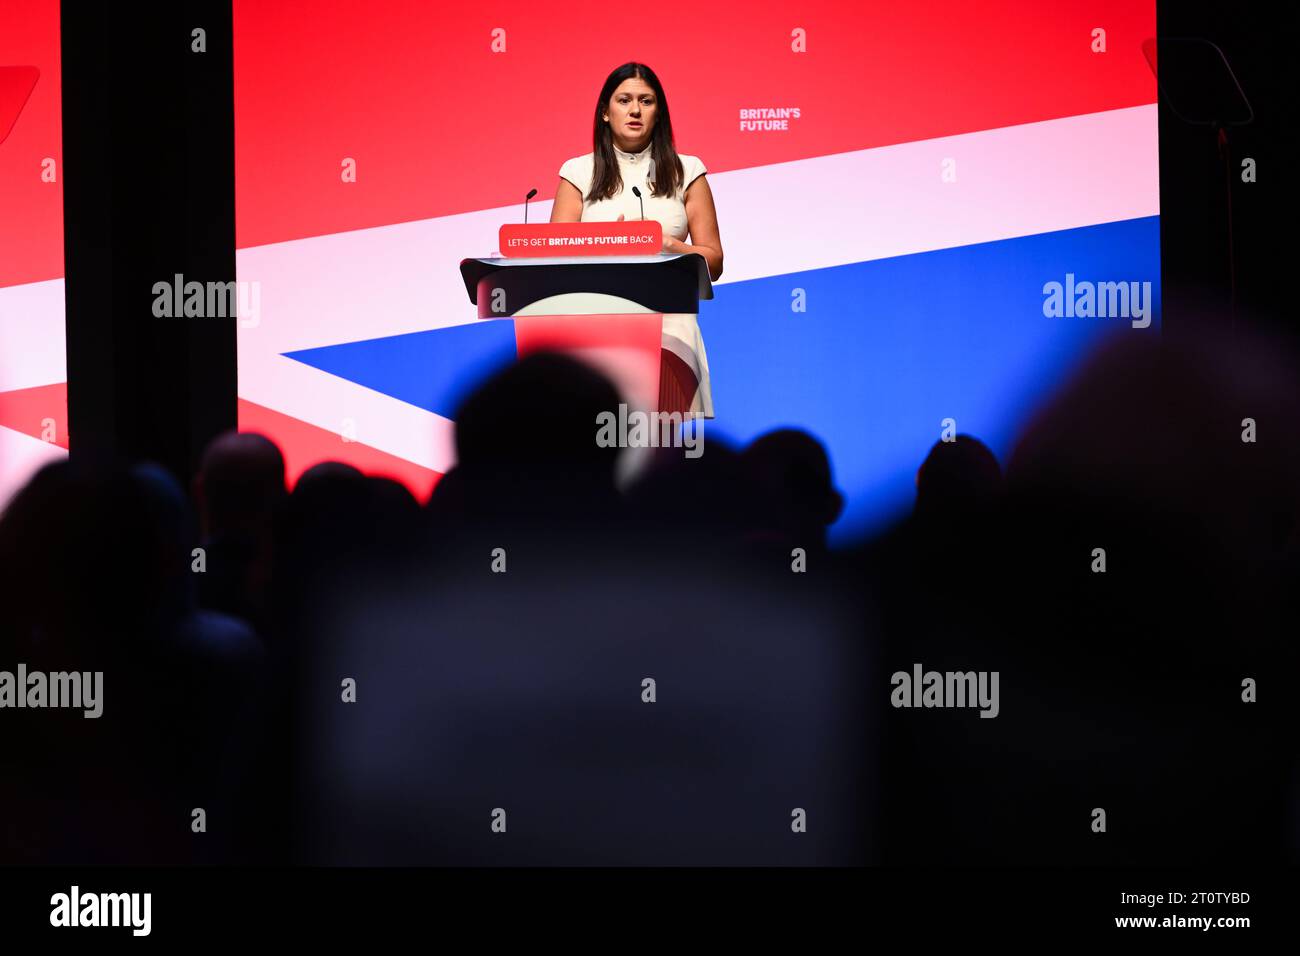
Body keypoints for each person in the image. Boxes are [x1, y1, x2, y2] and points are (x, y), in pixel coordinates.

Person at [551, 61, 723, 418]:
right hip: (597, 325)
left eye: (646, 101)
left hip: (669, 327)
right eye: (624, 100)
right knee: (597, 450)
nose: (634, 110)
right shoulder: (577, 172)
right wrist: (605, 241)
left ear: (659, 113)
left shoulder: (687, 170)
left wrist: (668, 244)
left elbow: (715, 261)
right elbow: (554, 255)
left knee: (662, 456)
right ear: (604, 112)